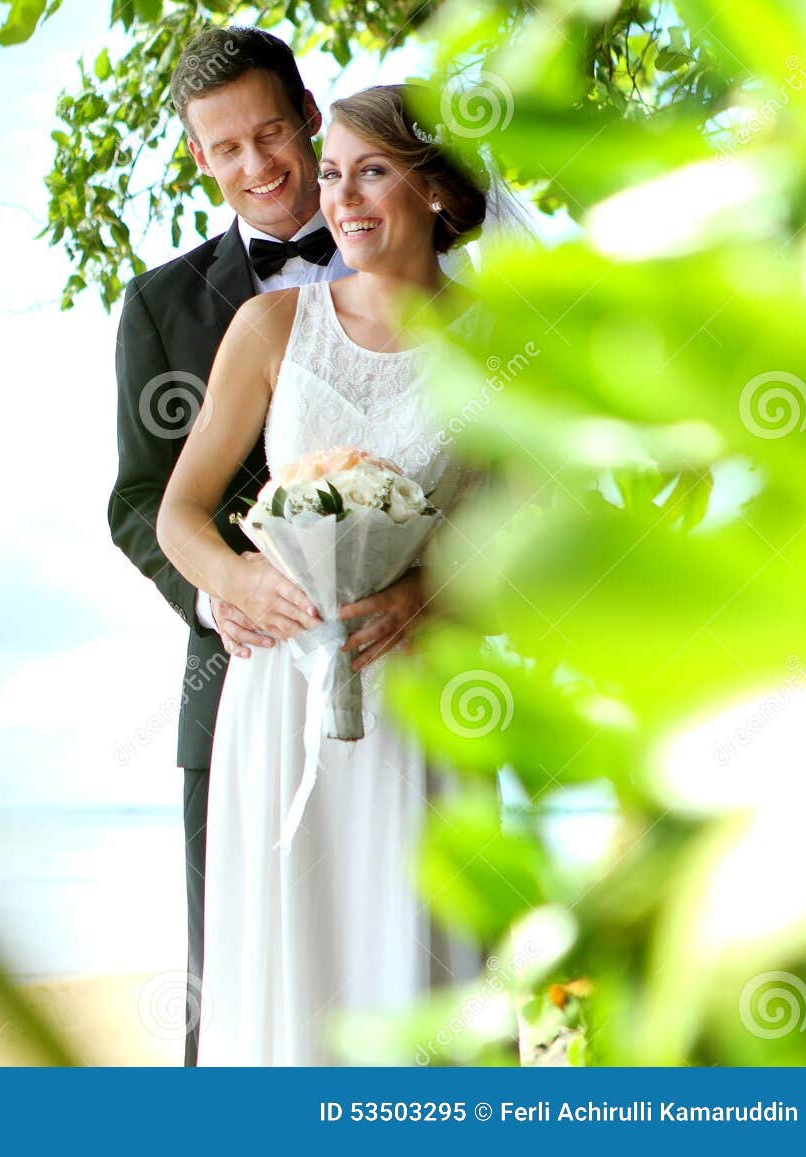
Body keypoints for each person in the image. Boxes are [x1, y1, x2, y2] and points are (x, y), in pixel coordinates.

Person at [155, 83, 489, 1064]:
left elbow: (537, 534)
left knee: (419, 952)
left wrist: (429, 592)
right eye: (332, 173)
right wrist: (238, 581)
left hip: (426, 693)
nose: (339, 197)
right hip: (282, 692)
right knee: (287, 978)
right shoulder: (270, 327)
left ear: (434, 188)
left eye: (371, 171)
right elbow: (177, 512)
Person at [107, 25, 354, 1067]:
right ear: (197, 157)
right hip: (236, 685)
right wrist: (225, 594)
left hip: (411, 674)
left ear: (309, 115)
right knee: (234, 995)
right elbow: (140, 502)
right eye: (226, 148)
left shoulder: (423, 270)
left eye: (271, 133)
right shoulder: (161, 305)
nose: (257, 166)